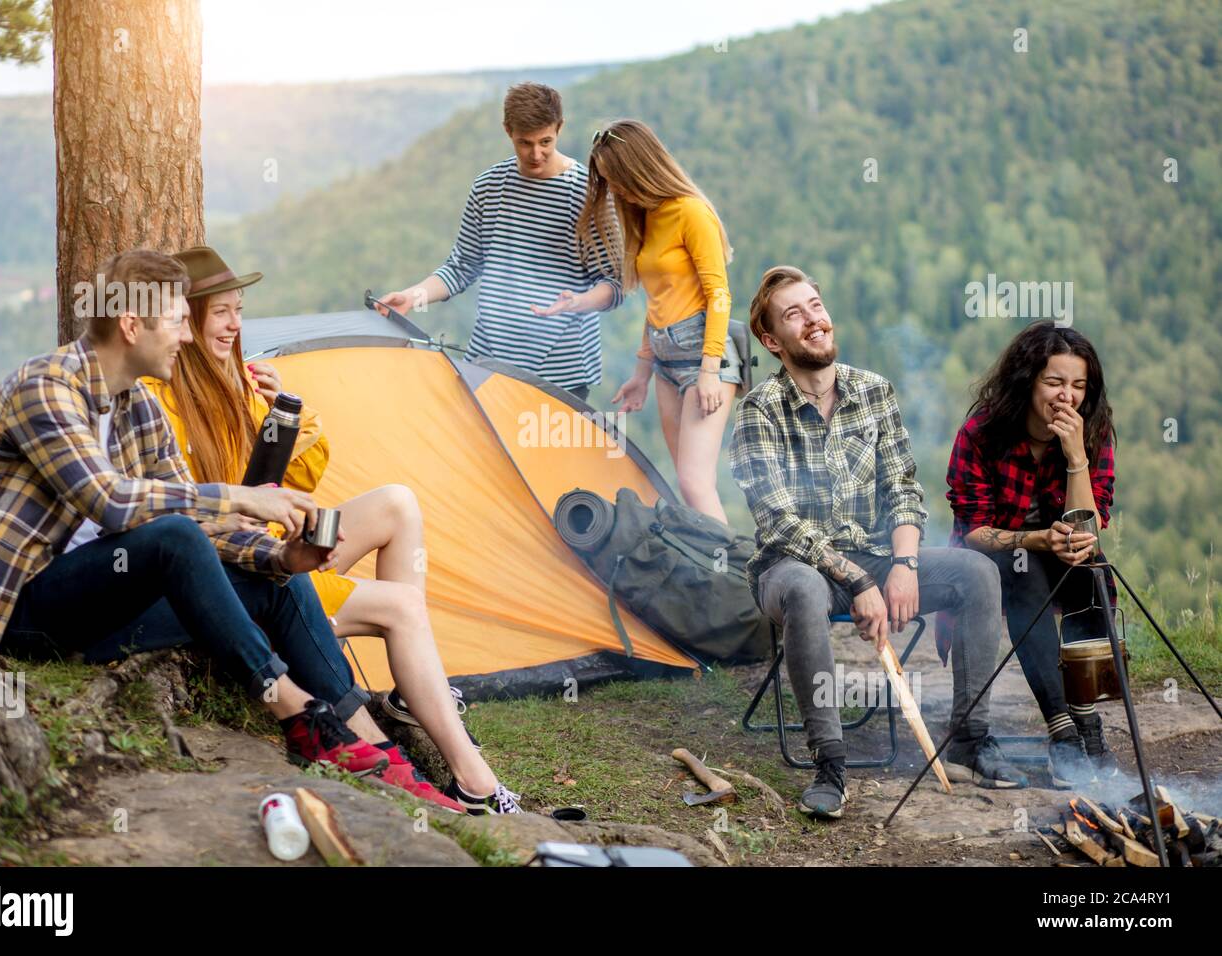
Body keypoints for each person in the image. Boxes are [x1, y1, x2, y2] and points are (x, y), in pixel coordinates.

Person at [0, 249, 393, 784]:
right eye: (176, 321)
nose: (188, 336)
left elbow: (199, 524)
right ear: (131, 325)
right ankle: (294, 710)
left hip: (99, 613)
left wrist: (283, 554)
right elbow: (111, 501)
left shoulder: (138, 407)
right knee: (169, 534)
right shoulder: (45, 388)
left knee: (277, 581)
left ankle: (376, 752)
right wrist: (244, 498)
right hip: (17, 616)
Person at [136, 245, 520, 815]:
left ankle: (413, 693)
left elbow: (298, 477)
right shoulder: (159, 400)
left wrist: (287, 414)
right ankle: (473, 780)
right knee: (403, 609)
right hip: (242, 575)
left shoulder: (239, 383)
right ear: (188, 320)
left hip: (270, 548)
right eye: (221, 313)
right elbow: (193, 517)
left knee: (398, 503)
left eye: (239, 309)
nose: (235, 324)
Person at [730, 265, 1030, 820]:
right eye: (793, 315)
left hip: (870, 556)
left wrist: (905, 564)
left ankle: (968, 739)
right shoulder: (758, 411)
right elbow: (778, 521)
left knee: (977, 573)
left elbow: (904, 489)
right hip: (791, 566)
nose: (812, 320)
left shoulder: (873, 392)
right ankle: (831, 764)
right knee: (801, 587)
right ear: (772, 341)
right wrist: (860, 578)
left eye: (815, 305)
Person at [947, 321, 1118, 788]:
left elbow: (1089, 524)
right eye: (1055, 382)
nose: (1068, 396)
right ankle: (1061, 729)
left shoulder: (1093, 430)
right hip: (998, 560)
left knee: (1092, 572)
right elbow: (973, 531)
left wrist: (1075, 456)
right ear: (1028, 381)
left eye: (1079, 385)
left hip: (1063, 556)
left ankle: (1086, 718)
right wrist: (1038, 539)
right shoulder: (982, 433)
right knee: (1022, 571)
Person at [376, 82, 622, 403]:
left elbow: (614, 286)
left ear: (560, 128)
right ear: (508, 131)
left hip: (560, 374)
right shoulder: (489, 187)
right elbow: (461, 267)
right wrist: (413, 297)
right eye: (525, 143)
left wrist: (577, 302)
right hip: (487, 363)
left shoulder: (588, 193)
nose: (536, 154)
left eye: (545, 141)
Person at [576, 119, 742, 522]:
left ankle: (734, 580)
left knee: (695, 483)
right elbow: (657, 304)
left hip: (707, 357)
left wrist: (708, 370)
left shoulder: (691, 212)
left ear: (640, 169)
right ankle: (709, 574)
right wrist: (641, 373)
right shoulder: (646, 219)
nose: (613, 189)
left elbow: (719, 295)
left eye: (616, 179)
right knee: (686, 489)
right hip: (666, 360)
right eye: (607, 181)